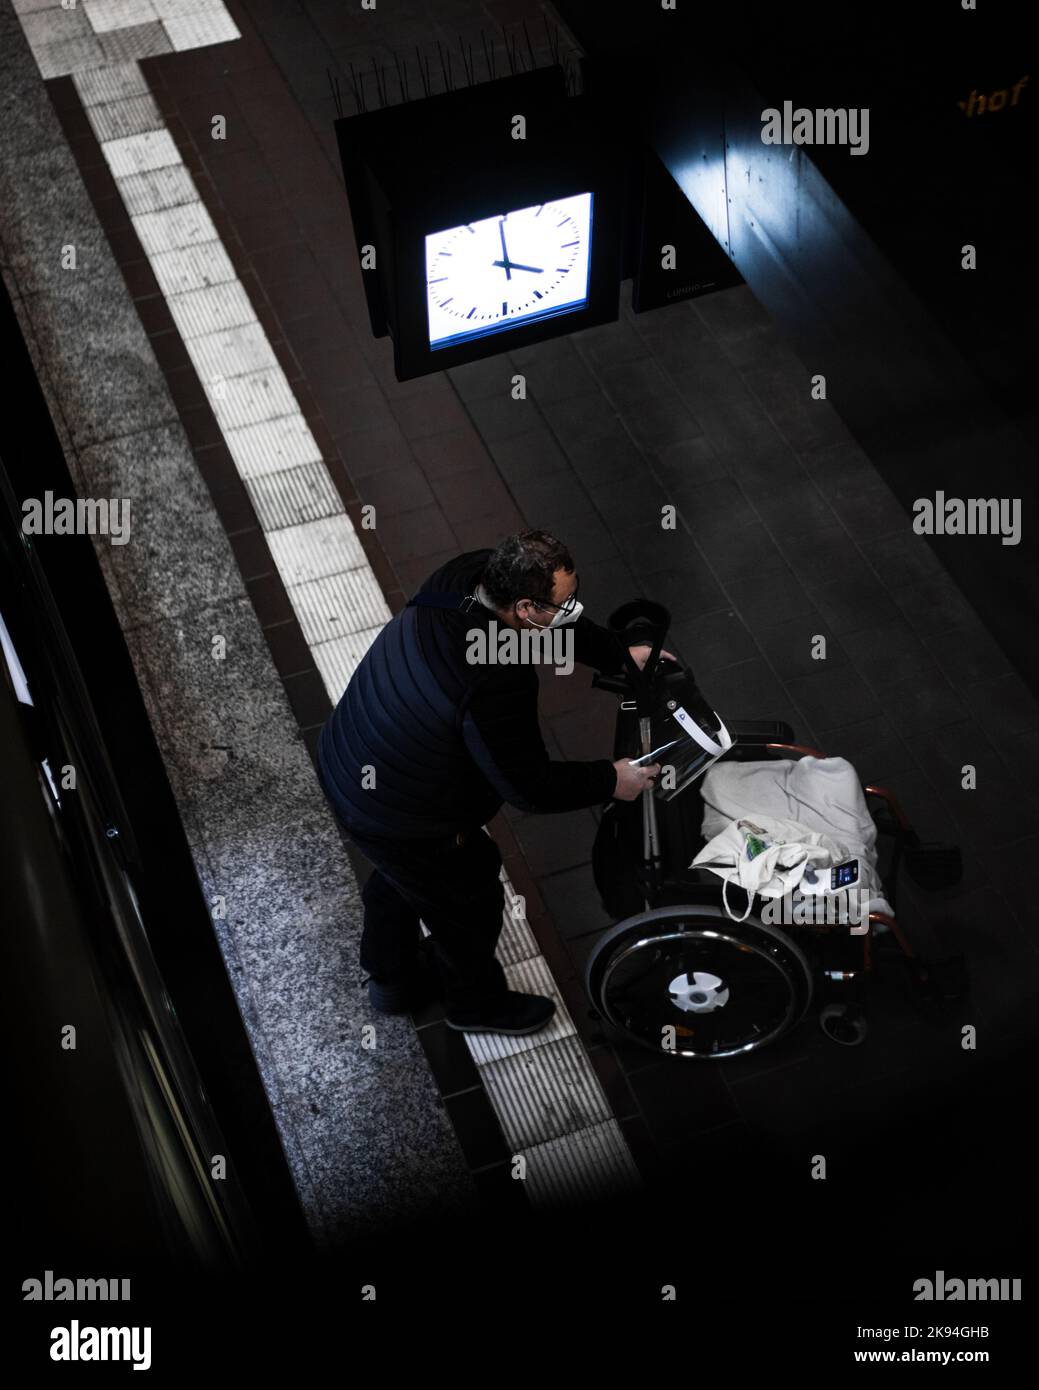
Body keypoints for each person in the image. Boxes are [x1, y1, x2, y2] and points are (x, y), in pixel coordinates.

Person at [316, 529, 665, 1036]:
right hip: (400, 809)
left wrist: (618, 656)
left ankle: (391, 982)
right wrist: (611, 779)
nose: (572, 611)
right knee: (469, 901)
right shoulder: (494, 680)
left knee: (406, 877)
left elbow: (552, 626)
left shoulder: (468, 575)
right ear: (524, 607)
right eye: (563, 604)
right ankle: (474, 1006)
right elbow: (528, 786)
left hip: (350, 758)